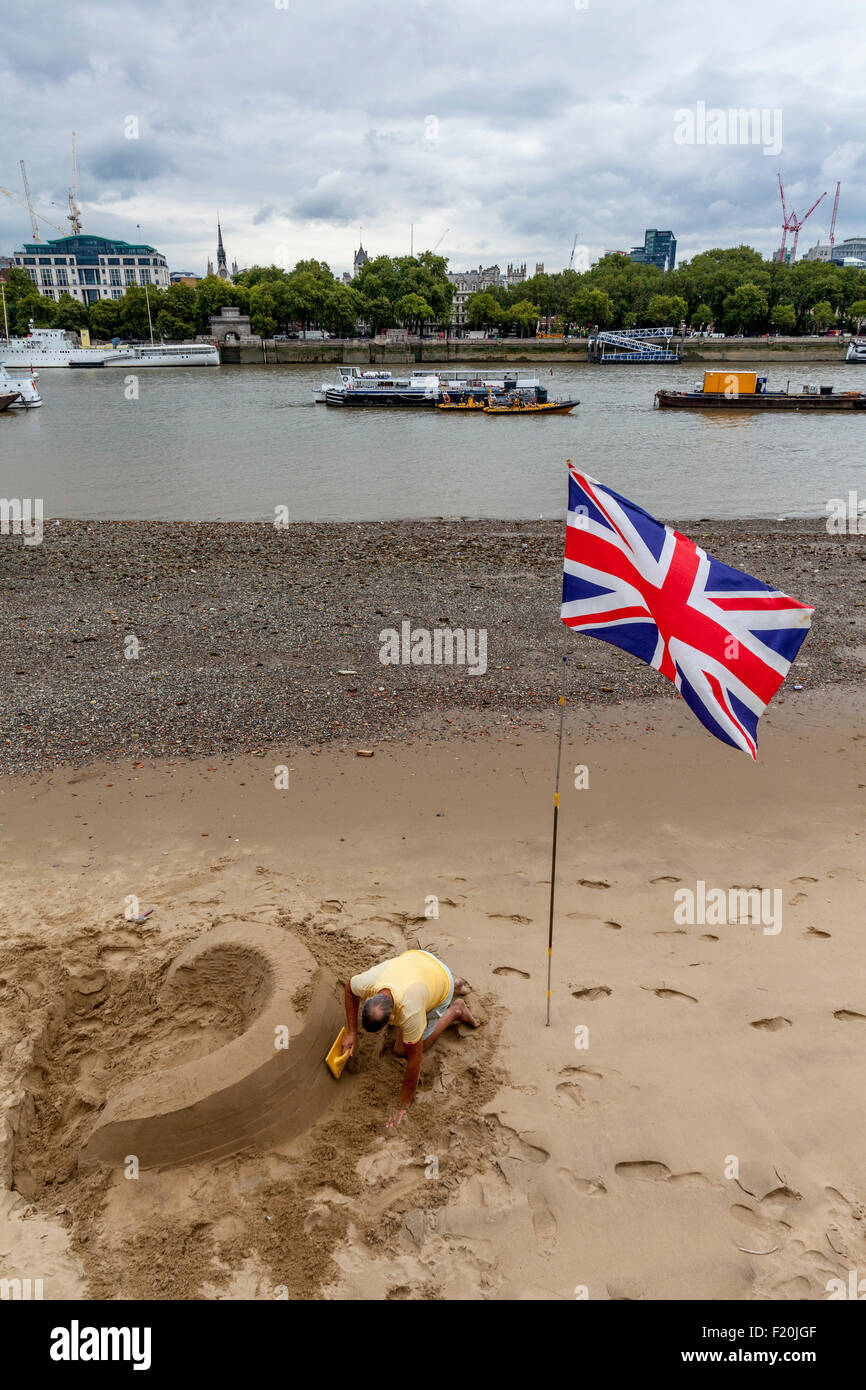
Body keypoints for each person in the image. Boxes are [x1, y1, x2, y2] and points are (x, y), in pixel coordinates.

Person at [343, 949, 477, 1125]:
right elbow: (349, 989)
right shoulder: (366, 982)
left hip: (433, 983)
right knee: (431, 986)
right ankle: (455, 984)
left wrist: (404, 1102)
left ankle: (455, 1010)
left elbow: (415, 1059)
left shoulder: (410, 1012)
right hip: (420, 959)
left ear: (392, 1019)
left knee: (401, 1049)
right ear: (367, 999)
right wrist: (352, 1032)